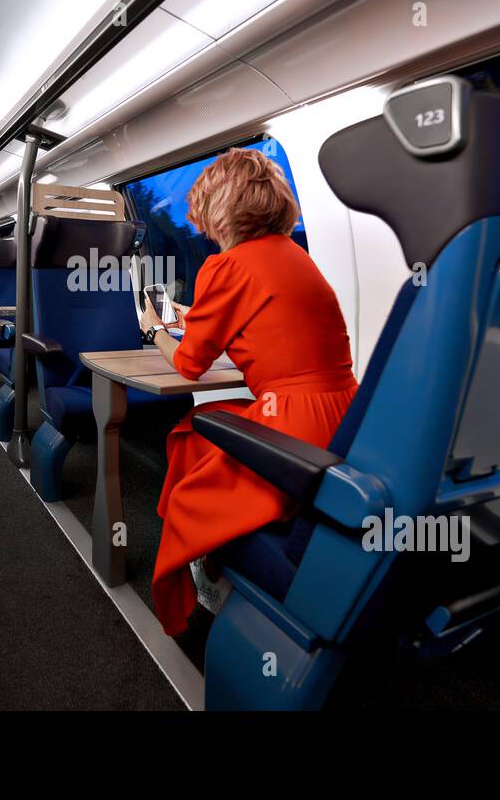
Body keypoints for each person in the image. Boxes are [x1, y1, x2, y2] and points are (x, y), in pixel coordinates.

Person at [137, 147, 359, 636]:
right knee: (209, 421)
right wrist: (193, 318)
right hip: (349, 419)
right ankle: (209, 554)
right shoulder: (298, 257)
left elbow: (190, 366)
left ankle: (204, 565)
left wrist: (155, 330)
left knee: (191, 432)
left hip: (294, 426)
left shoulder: (227, 266)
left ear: (220, 209)